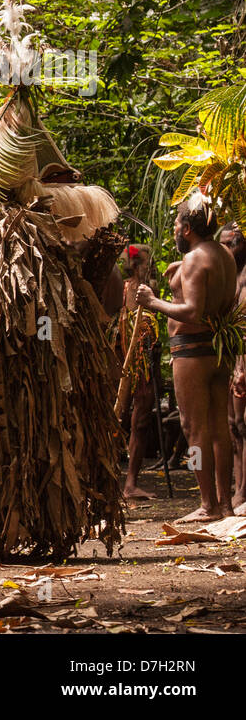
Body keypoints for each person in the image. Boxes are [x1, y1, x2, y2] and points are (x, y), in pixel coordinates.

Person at [137, 198, 238, 522]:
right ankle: (225, 504)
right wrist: (182, 268)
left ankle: (207, 504)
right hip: (218, 349)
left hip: (192, 352)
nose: (176, 231)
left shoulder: (195, 258)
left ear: (188, 229)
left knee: (192, 428)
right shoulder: (223, 255)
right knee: (219, 427)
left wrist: (154, 302)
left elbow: (192, 310)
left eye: (178, 226)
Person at [116, 244, 156, 500]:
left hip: (144, 362)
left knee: (141, 421)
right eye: (142, 261)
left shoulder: (150, 291)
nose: (147, 265)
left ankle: (131, 483)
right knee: (115, 416)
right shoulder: (121, 288)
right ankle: (106, 481)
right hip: (121, 361)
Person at [217, 223, 246, 512]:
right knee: (232, 428)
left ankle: (242, 491)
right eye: (223, 243)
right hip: (228, 357)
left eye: (233, 243)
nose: (227, 249)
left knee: (242, 425)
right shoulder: (228, 275)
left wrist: (241, 367)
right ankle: (237, 489)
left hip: (242, 360)